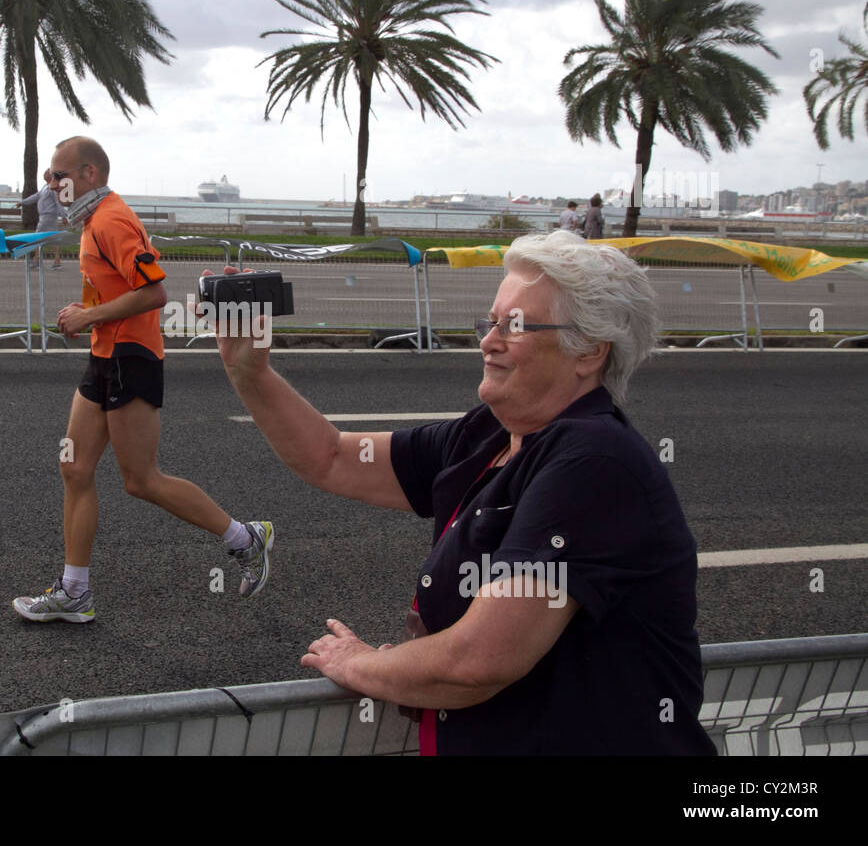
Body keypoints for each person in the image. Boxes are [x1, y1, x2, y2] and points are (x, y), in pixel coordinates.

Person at [214, 230, 715, 754]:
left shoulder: (594, 462)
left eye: (514, 326)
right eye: (490, 322)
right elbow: (333, 458)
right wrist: (251, 371)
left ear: (589, 351)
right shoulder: (492, 435)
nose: (488, 340)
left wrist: (358, 664)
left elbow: (478, 662)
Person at [12, 135, 272, 623]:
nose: (52, 184)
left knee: (141, 480)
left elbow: (154, 292)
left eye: (58, 175)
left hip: (132, 359)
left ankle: (245, 537)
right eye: (49, 176)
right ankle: (74, 592)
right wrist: (88, 313)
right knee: (74, 468)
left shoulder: (111, 219)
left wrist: (89, 317)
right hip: (104, 357)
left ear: (89, 175)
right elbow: (114, 290)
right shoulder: (93, 221)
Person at [18, 169, 67, 269]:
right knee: (52, 239)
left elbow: (58, 203)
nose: (44, 173)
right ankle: (56, 262)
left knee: (37, 237)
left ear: (51, 176)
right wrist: (22, 202)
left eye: (47, 172)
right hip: (45, 217)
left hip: (48, 217)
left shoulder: (51, 188)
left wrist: (63, 216)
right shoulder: (45, 187)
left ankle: (37, 262)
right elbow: (34, 197)